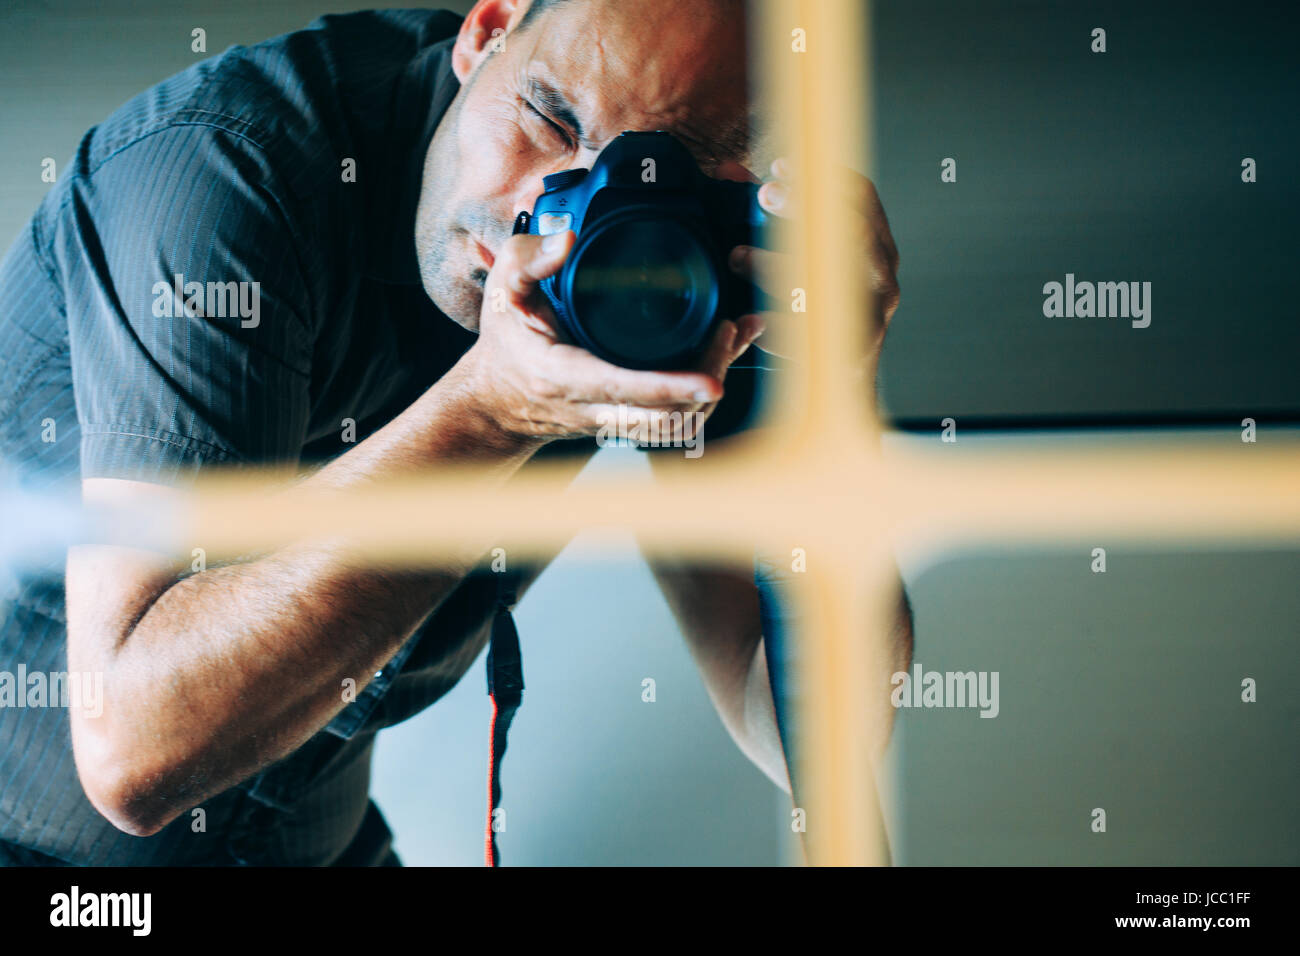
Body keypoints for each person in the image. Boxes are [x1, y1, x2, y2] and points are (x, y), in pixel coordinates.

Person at [0, 0, 908, 865]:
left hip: (305, 843)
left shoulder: (682, 269)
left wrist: (833, 407)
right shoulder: (226, 170)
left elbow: (808, 746)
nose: (547, 216)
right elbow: (137, 752)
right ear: (488, 29)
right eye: (552, 118)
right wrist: (490, 414)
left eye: (663, 175)